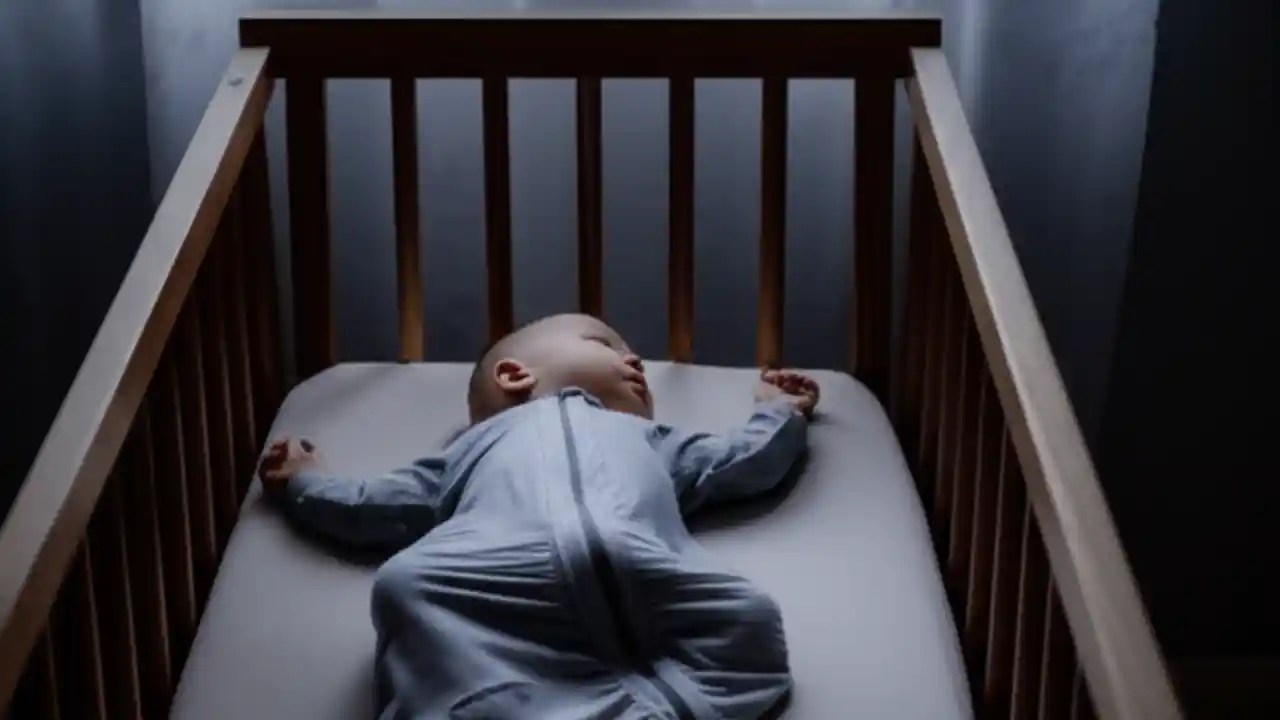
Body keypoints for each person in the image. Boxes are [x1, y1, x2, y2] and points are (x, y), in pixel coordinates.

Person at [260, 313, 819, 720]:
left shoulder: (653, 438)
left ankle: (650, 703)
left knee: (749, 613)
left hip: (635, 567)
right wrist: (309, 482)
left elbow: (738, 463)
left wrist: (777, 412)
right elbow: (383, 503)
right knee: (408, 585)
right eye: (605, 345)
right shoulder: (468, 452)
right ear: (513, 376)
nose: (636, 362)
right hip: (492, 580)